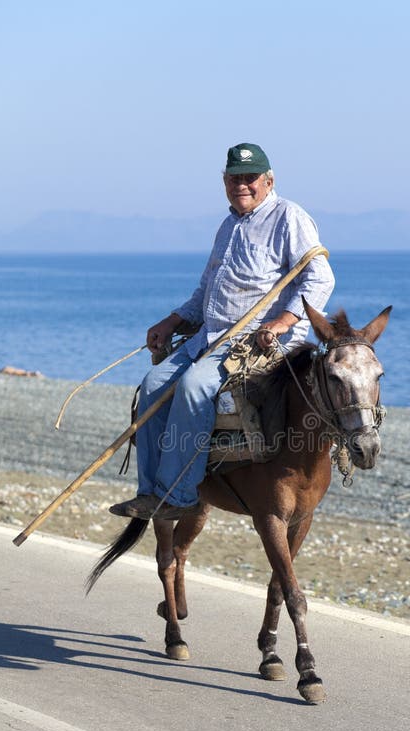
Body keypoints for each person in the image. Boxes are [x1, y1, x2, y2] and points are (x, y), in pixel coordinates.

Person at [110, 142, 335, 521]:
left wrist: (284, 321)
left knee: (194, 387)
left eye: (250, 178)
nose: (242, 185)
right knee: (152, 386)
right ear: (224, 182)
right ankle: (149, 492)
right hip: (210, 337)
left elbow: (321, 278)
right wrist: (172, 321)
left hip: (254, 342)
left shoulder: (289, 217)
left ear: (268, 181)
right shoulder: (228, 225)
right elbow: (206, 293)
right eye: (234, 179)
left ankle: (178, 496)